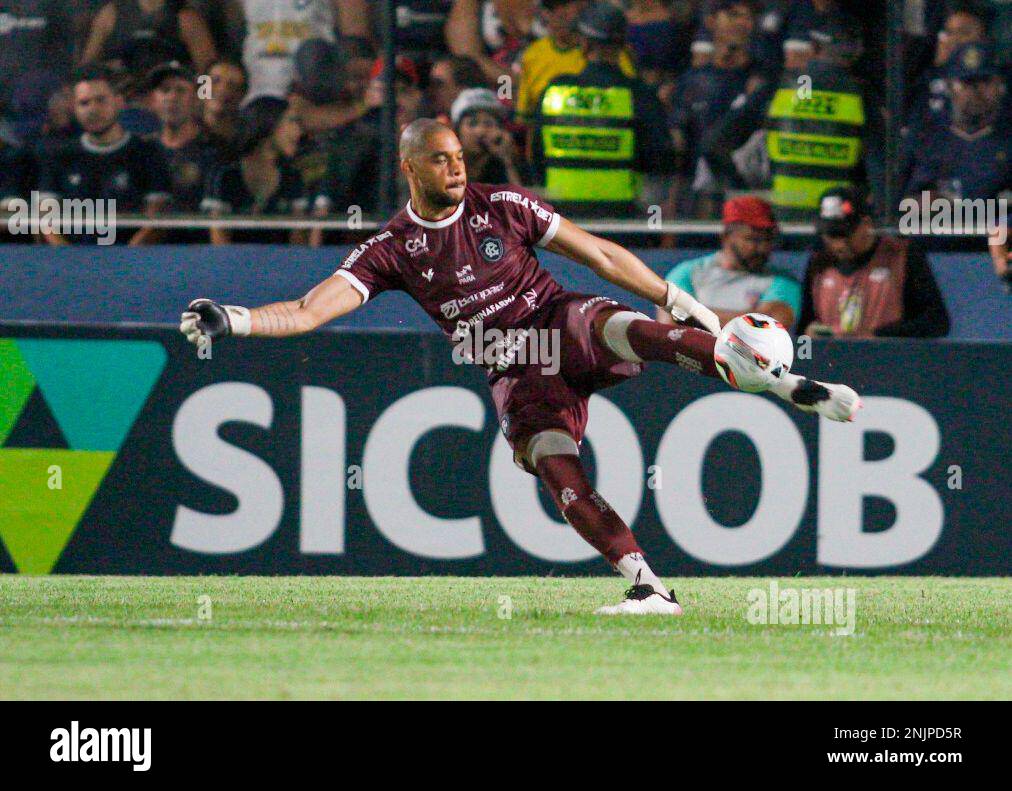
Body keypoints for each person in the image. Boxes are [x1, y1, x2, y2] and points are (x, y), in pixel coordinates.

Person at [180, 117, 862, 615]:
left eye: (459, 157)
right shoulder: (389, 249)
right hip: (511, 367)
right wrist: (234, 318)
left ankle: (785, 381)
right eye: (442, 159)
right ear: (412, 168)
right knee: (551, 462)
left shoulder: (501, 204)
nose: (457, 168)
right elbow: (307, 309)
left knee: (622, 326)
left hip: (555, 319)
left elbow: (596, 252)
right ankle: (649, 586)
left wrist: (675, 294)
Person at [529, 1, 677, 218]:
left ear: (584, 44)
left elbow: (537, 157)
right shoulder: (640, 95)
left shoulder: (555, 91)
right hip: (622, 222)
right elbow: (660, 163)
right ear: (623, 45)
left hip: (562, 225)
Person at [37, 65, 170, 246]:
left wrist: (125, 263)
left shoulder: (148, 153)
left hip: (132, 266)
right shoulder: (60, 155)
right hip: (70, 265)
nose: (93, 109)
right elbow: (46, 221)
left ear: (119, 102)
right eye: (84, 103)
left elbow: (156, 221)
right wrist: (67, 259)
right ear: (74, 109)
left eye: (101, 100)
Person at [798, 187, 950, 339]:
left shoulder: (901, 255)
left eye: (845, 234)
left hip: (887, 359)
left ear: (866, 224)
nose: (839, 245)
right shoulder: (819, 263)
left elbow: (937, 322)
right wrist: (808, 333)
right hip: (830, 359)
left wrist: (880, 336)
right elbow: (803, 326)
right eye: (831, 235)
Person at [657, 196, 801, 328]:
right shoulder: (688, 272)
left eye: (768, 240)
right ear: (726, 237)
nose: (762, 248)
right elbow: (670, 325)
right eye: (752, 239)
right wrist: (750, 318)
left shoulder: (783, 281)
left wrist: (691, 314)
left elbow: (771, 326)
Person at [904, 43, 1010, 203]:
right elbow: (898, 201)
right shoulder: (926, 138)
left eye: (985, 81)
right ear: (949, 87)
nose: (976, 91)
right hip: (938, 226)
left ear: (1000, 85)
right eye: (966, 83)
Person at [201, 96, 308, 245]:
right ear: (268, 123)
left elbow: (298, 242)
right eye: (292, 121)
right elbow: (219, 240)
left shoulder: (293, 177)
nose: (299, 131)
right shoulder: (226, 175)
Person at [81, 0, 217, 75]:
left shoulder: (186, 18)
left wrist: (204, 101)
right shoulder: (110, 15)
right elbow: (86, 68)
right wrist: (106, 69)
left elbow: (207, 71)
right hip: (122, 104)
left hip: (170, 105)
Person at [451, 87, 528, 185]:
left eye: (488, 124)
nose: (480, 131)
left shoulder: (505, 166)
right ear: (457, 130)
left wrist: (507, 161)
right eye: (472, 123)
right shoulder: (445, 166)